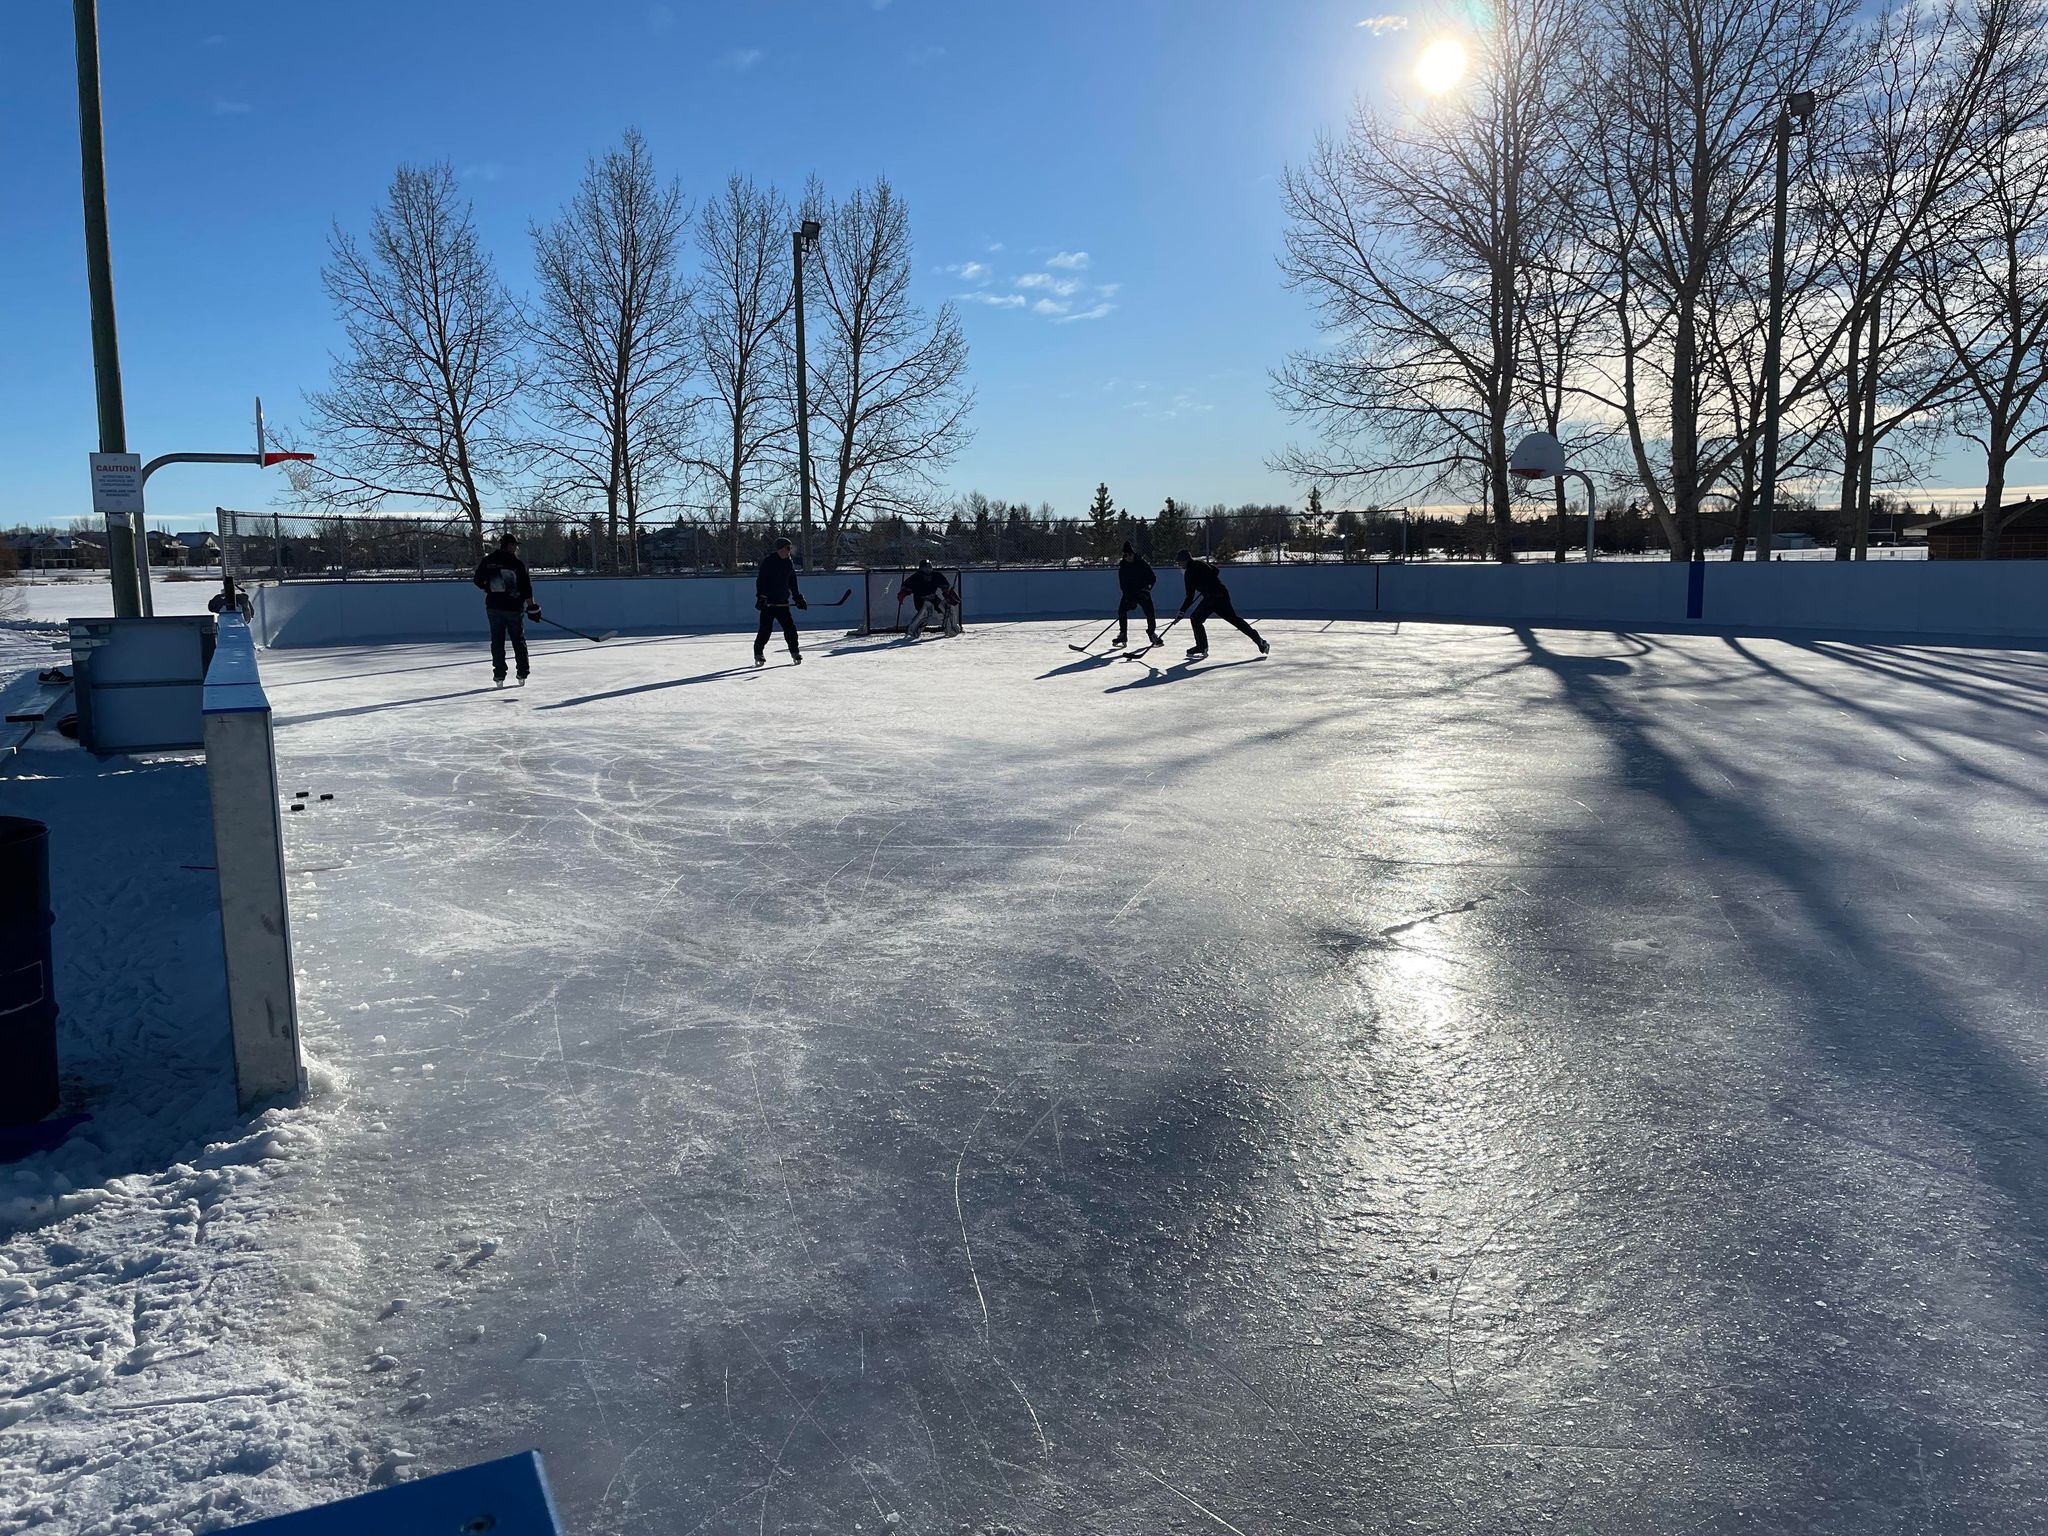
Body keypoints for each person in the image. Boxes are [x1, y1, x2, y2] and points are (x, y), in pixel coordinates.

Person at [1174, 550, 1268, 661]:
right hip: (1221, 594)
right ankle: (1259, 641)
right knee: (1234, 620)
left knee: (1196, 619)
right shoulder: (1200, 563)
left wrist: (1182, 611)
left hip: (1212, 598)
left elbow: (1190, 596)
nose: (1179, 564)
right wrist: (1208, 582)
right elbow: (1215, 570)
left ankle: (1202, 646)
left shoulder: (1189, 573)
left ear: (1185, 560)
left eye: (1180, 562)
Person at [473, 532, 540, 686]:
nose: (516, 548)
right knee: (518, 640)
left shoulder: (488, 560)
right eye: (515, 545)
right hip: (513, 608)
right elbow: (526, 588)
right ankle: (522, 672)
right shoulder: (516, 564)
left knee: (497, 641)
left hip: (494, 606)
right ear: (509, 546)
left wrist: (488, 587)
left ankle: (499, 674)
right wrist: (532, 607)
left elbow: (477, 580)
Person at [754, 536, 807, 666]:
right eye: (787, 548)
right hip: (768, 604)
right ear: (780, 549)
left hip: (783, 603)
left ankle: (795, 652)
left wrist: (798, 598)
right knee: (765, 630)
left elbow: (792, 582)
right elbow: (761, 581)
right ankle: (758, 653)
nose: (789, 551)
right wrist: (761, 596)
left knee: (790, 630)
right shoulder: (769, 562)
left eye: (790, 548)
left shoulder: (788, 563)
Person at [1114, 541, 1161, 649]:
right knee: (1121, 611)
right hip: (1129, 593)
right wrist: (1129, 599)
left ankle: (1152, 633)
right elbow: (1123, 585)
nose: (1128, 557)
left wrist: (1147, 588)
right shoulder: (1123, 567)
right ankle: (1123, 634)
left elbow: (1152, 578)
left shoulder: (1142, 564)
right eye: (1126, 555)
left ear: (1133, 554)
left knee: (1150, 612)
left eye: (1130, 554)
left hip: (1142, 592)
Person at [898, 560, 960, 640]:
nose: (928, 570)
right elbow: (906, 588)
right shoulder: (915, 577)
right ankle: (913, 630)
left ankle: (950, 628)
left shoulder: (936, 575)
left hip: (933, 598)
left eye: (929, 567)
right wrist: (903, 594)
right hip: (920, 600)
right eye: (925, 568)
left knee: (945, 608)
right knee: (927, 609)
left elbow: (945, 587)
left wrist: (948, 593)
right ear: (921, 569)